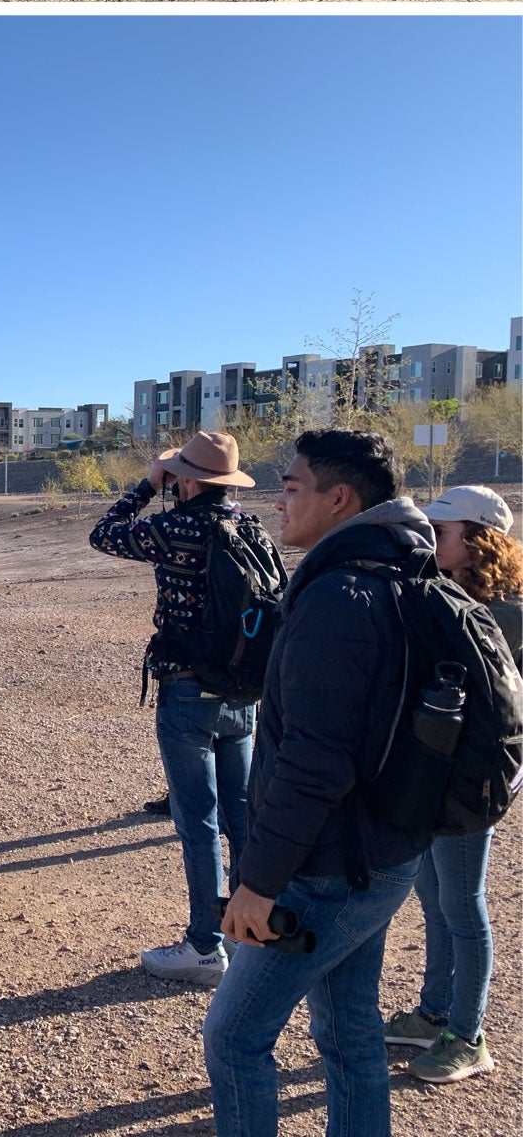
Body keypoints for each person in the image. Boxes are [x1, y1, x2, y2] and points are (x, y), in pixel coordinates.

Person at [202, 430, 437, 1137]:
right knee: (349, 1028)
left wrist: (259, 882)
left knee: (235, 1037)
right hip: (384, 850)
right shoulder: (406, 570)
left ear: (339, 499)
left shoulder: (341, 596)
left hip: (328, 867)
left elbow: (314, 760)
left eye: (293, 487)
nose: (279, 501)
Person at [90, 430, 284, 987]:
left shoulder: (174, 525)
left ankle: (203, 945)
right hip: (242, 689)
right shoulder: (251, 527)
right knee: (242, 813)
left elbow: (103, 534)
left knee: (196, 820)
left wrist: (148, 485)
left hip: (187, 687)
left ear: (190, 479)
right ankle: (247, 933)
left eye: (178, 473)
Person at [382, 484, 522, 1086]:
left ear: (478, 538)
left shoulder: (506, 612)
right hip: (434, 772)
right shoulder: (448, 593)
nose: (429, 538)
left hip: (468, 780)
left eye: (441, 529)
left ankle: (469, 1034)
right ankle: (436, 1011)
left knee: (462, 903)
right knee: (434, 896)